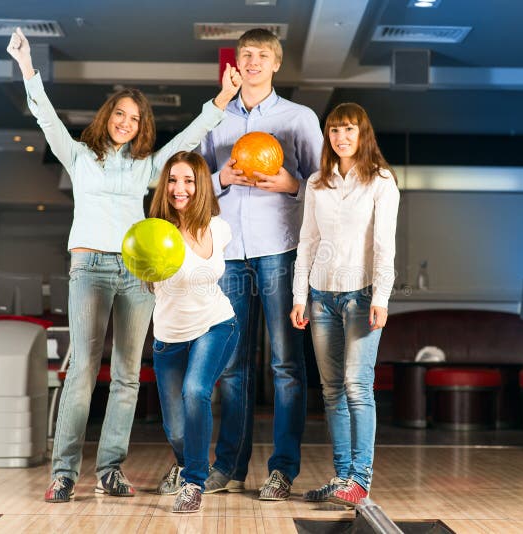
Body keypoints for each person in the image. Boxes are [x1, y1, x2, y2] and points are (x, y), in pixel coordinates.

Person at [5, 28, 242, 503]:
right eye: (120, 114)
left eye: (135, 118)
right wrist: (28, 67)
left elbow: (188, 143)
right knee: (82, 371)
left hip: (137, 274)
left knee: (128, 375)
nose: (126, 122)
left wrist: (221, 99)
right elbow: (46, 118)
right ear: (107, 117)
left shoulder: (145, 168)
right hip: (89, 268)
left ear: (141, 126)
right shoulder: (79, 157)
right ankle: (64, 473)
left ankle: (110, 468)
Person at [190, 28, 324, 501]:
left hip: (280, 251)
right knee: (231, 367)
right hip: (227, 253)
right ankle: (229, 466)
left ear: (275, 64)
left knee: (287, 364)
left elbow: (324, 187)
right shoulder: (214, 118)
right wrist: (220, 177)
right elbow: (192, 185)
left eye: (262, 55)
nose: (252, 61)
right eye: (246, 54)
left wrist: (291, 185)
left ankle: (282, 469)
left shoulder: (299, 118)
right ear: (235, 64)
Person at [290, 103, 400, 507]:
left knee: (357, 386)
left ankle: (361, 478)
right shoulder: (317, 182)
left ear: (362, 133)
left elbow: (385, 246)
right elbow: (307, 243)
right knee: (332, 390)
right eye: (334, 131)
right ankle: (342, 479)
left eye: (348, 129)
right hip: (320, 298)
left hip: (362, 296)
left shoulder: (381, 181)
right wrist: (300, 296)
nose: (341, 137)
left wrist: (382, 298)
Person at [148, 151, 238, 513]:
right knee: (176, 429)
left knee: (196, 390)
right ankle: (188, 464)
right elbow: (147, 281)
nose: (178, 188)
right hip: (169, 336)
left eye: (187, 180)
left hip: (215, 324)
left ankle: (194, 483)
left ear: (201, 185)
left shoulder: (219, 227)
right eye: (172, 180)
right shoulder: (154, 231)